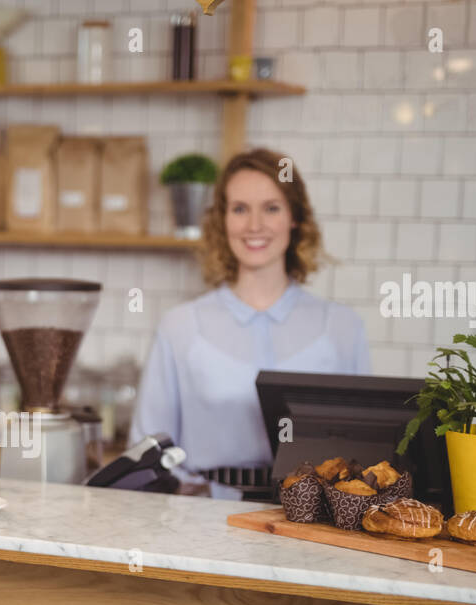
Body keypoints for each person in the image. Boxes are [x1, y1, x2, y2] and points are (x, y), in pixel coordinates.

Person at [129, 147, 370, 495]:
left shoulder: (343, 328)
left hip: (312, 523)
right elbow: (147, 448)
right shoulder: (179, 326)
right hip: (204, 521)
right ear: (222, 220)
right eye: (240, 209)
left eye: (271, 208)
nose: (254, 225)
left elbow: (365, 451)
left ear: (295, 218)